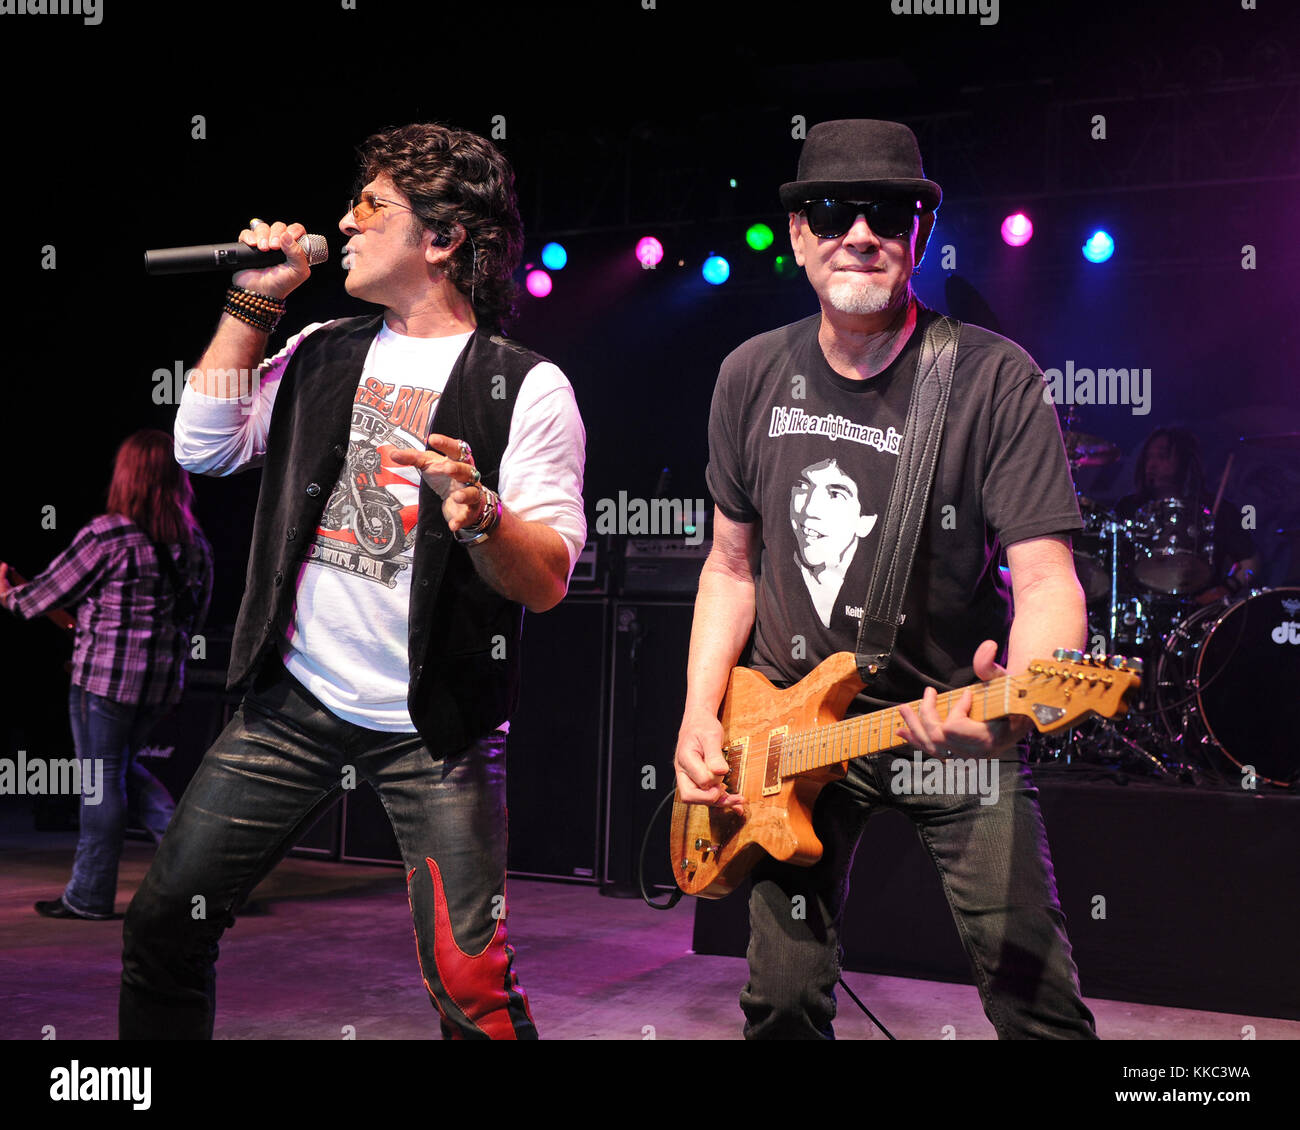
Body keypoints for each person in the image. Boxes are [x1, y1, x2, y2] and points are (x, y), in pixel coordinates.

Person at [118, 123, 587, 1040]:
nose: (345, 221)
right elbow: (201, 449)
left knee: (472, 990)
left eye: (373, 205)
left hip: (434, 728)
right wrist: (253, 306)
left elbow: (547, 582)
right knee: (166, 924)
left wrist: (484, 515)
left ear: (444, 237)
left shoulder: (527, 388)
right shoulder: (324, 347)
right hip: (293, 703)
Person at [674, 119, 1098, 1039]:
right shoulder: (749, 374)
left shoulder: (993, 378)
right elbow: (730, 567)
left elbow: (1047, 579)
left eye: (885, 212)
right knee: (781, 1005)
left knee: (1034, 997)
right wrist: (701, 715)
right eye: (829, 211)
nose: (856, 233)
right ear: (796, 236)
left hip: (950, 724)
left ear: (920, 233)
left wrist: (1023, 693)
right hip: (789, 735)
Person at [0, 429, 213, 920]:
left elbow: (37, 600)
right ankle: (197, 878)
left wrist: (9, 595)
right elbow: (195, 619)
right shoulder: (196, 544)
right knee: (121, 774)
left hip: (103, 684)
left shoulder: (108, 534)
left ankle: (90, 896)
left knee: (101, 780)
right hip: (161, 686)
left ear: (127, 476)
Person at [1115, 427, 1260, 605]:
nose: (1151, 465)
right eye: (1148, 457)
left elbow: (1249, 562)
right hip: (1140, 609)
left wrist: (1226, 588)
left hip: (1198, 612)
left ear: (1184, 461)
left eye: (1162, 456)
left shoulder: (1218, 510)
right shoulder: (1129, 508)